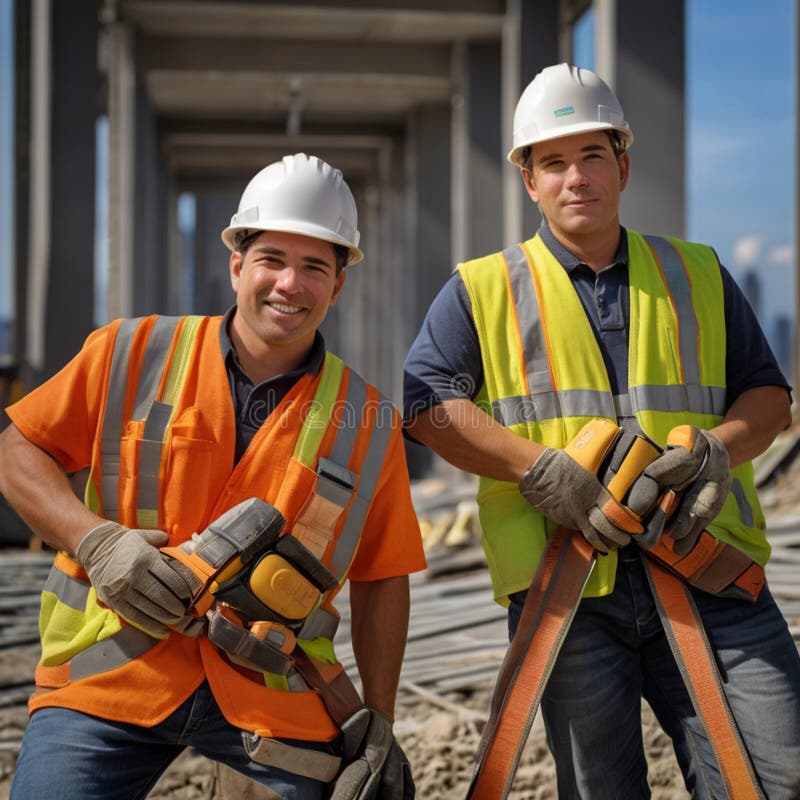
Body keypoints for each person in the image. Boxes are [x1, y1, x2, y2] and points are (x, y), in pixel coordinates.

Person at [403, 63, 800, 798]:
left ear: (623, 164)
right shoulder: (484, 289)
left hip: (710, 571)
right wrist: (538, 469)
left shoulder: (698, 272)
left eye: (592, 156)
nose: (575, 177)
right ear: (530, 181)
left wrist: (718, 450)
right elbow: (428, 404)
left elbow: (769, 395)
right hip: (570, 591)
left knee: (781, 775)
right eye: (553, 162)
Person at [0, 153, 426, 800]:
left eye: (315, 266)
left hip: (273, 692)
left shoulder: (366, 420)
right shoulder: (132, 352)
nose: (289, 283)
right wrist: (94, 540)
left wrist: (381, 720)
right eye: (272, 259)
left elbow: (382, 579)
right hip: (108, 675)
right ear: (236, 267)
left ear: (338, 285)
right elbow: (16, 450)